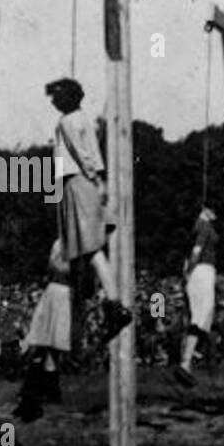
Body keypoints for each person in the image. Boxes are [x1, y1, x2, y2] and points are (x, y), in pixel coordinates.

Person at [45, 77, 132, 344]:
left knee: (88, 248)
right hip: (87, 182)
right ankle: (106, 306)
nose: (53, 101)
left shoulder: (67, 122)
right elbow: (92, 152)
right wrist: (99, 180)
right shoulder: (84, 119)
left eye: (57, 96)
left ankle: (113, 304)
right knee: (87, 248)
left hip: (77, 181)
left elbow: (81, 153)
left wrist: (94, 178)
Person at [13, 239, 72, 422]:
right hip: (58, 290)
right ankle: (39, 390)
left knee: (53, 345)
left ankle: (44, 389)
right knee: (44, 343)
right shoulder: (60, 243)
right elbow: (55, 266)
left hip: (64, 291)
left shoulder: (72, 243)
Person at [173, 208, 218, 389]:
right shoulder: (204, 226)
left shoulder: (199, 226)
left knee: (204, 318)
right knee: (201, 316)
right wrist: (190, 269)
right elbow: (196, 251)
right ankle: (186, 361)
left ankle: (192, 359)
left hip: (202, 271)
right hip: (202, 271)